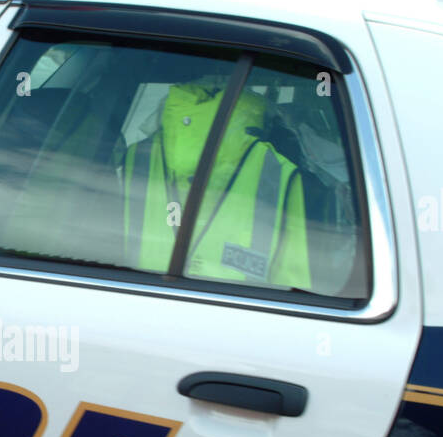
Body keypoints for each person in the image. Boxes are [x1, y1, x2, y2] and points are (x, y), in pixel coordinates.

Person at [123, 77, 310, 290]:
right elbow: (297, 285)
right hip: (244, 314)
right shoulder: (279, 169)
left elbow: (100, 238)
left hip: (133, 307)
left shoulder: (138, 156)